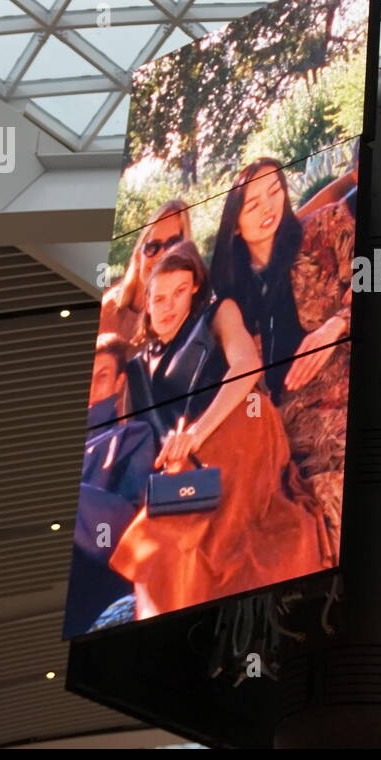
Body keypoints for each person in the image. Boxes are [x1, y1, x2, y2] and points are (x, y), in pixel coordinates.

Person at [107, 245, 329, 619]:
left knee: (222, 534)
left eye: (179, 292)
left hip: (241, 420)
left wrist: (197, 432)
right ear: (147, 304)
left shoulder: (217, 312)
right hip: (189, 458)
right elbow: (140, 438)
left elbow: (246, 365)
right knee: (167, 538)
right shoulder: (139, 367)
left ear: (195, 289)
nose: (168, 306)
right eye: (159, 298)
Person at [211, 158, 354, 551]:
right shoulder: (231, 294)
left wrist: (335, 325)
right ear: (234, 223)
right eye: (253, 203)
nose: (268, 207)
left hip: (340, 406)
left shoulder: (324, 228)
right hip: (277, 432)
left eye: (274, 191)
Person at [64, 333, 154, 635]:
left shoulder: (133, 437)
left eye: (101, 377)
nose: (90, 387)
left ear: (119, 382)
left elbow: (128, 522)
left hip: (94, 573)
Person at [100, 199, 193, 345]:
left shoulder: (187, 323)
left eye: (172, 245)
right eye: (152, 246)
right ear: (138, 256)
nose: (161, 256)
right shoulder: (109, 308)